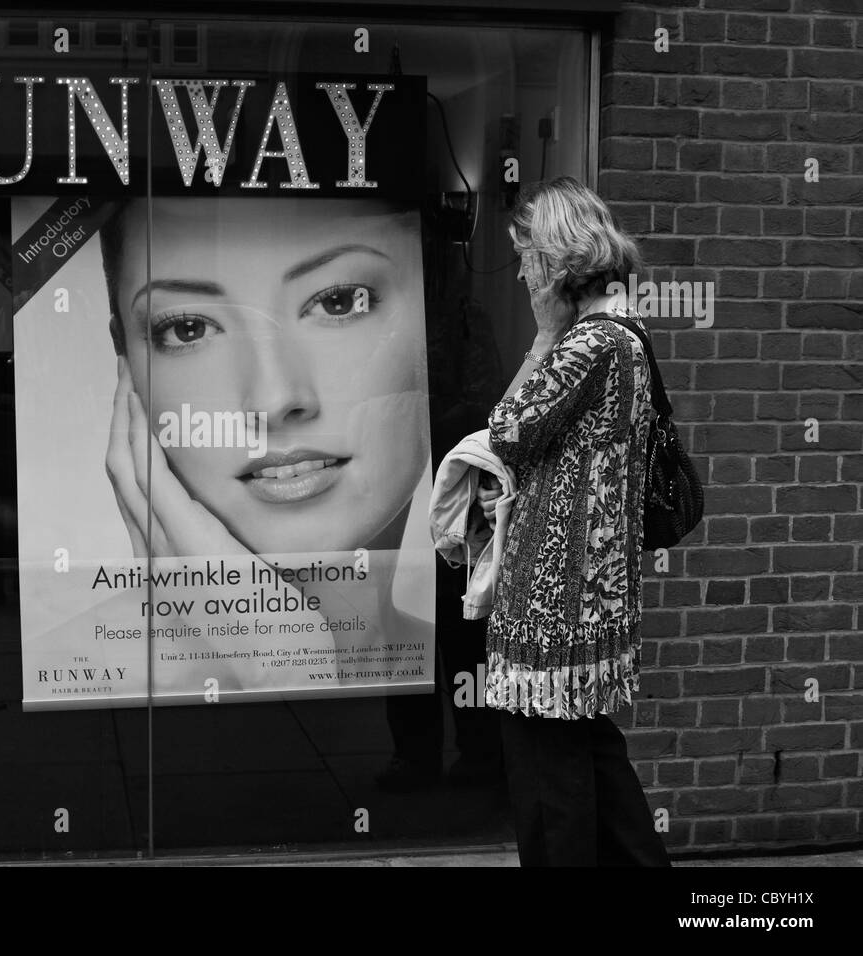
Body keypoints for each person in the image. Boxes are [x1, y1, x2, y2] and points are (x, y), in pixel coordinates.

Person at [92, 196, 435, 691]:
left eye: (339, 301)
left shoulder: (480, 657)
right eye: (187, 329)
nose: (274, 400)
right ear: (126, 364)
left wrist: (288, 661)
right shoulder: (77, 674)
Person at [475, 177, 670, 866]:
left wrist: (541, 337)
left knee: (550, 791)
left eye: (527, 253)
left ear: (556, 258)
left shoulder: (588, 345)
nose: (523, 269)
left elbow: (504, 432)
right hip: (589, 596)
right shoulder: (626, 334)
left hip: (553, 608)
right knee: (596, 766)